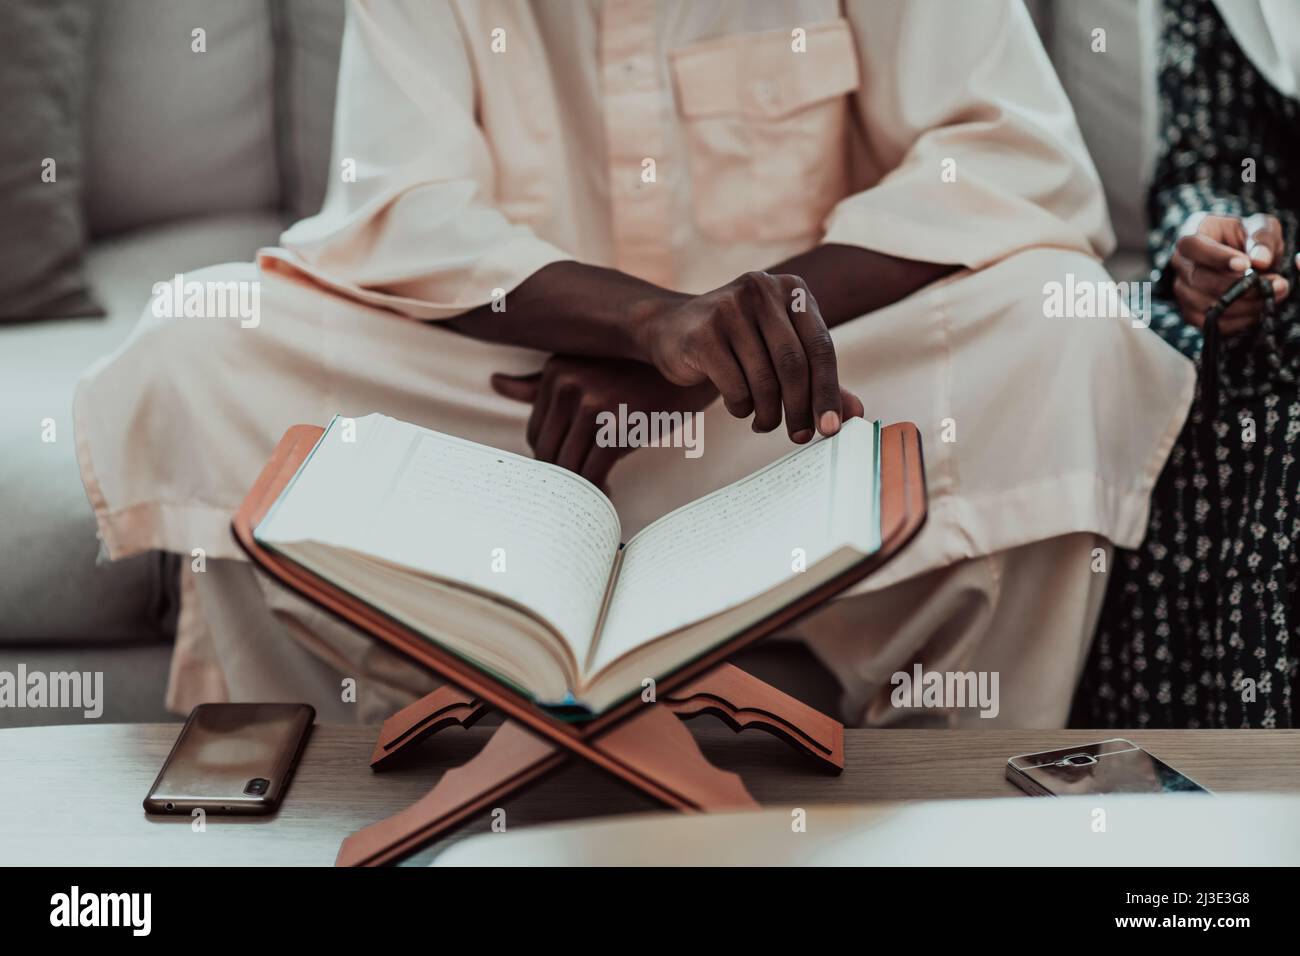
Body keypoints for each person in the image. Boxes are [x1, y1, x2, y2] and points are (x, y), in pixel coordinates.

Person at [75, 0, 1192, 727]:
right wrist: (649, 325)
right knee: (197, 347)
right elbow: (402, 211)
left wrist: (704, 353)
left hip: (797, 414)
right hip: (517, 414)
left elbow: (1005, 158)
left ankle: (947, 798)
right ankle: (334, 794)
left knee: (1062, 326)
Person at [1073, 0, 1300, 729]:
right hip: (1280, 284)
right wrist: (1214, 237)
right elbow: (1204, 155)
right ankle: (1195, 794)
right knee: (1167, 365)